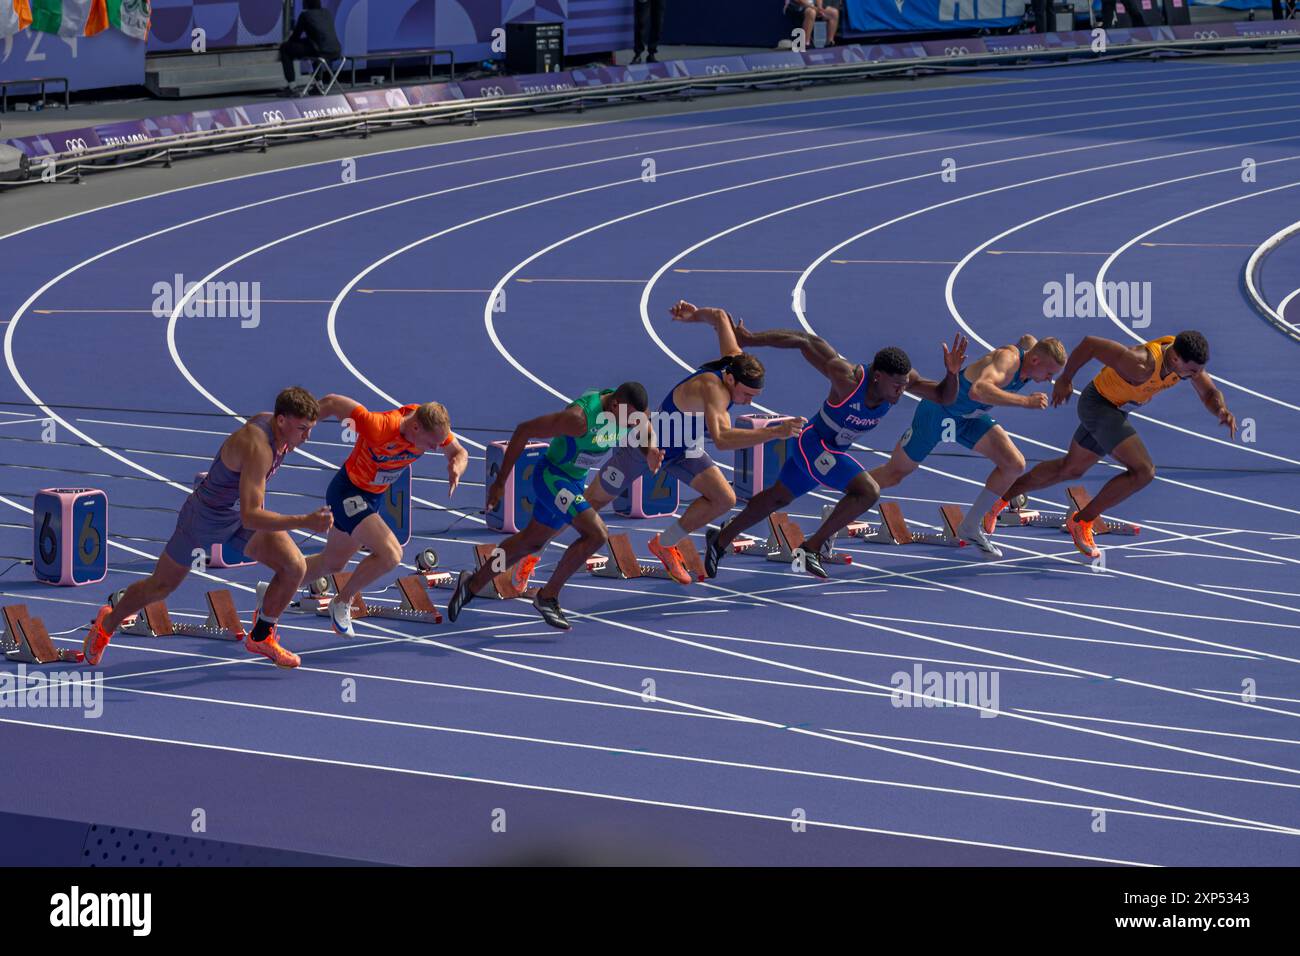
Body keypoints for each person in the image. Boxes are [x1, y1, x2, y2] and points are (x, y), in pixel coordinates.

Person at [83, 387, 331, 669]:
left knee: (294, 567)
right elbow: (252, 517)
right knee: (161, 586)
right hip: (205, 516)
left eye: (310, 429)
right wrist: (304, 522)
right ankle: (108, 623)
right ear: (282, 420)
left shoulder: (280, 430)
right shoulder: (258, 446)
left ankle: (261, 635)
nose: (307, 437)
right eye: (303, 429)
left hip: (238, 515)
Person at [706, 325, 966, 578]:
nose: (901, 391)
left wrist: (952, 373)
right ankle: (811, 548)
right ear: (878, 376)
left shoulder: (902, 380)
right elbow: (804, 340)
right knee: (867, 491)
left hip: (831, 450)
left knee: (778, 498)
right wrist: (750, 339)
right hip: (813, 443)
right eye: (896, 386)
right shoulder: (848, 379)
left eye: (904, 385)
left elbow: (944, 397)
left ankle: (720, 539)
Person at [597, 301, 805, 584]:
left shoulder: (735, 361)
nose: (748, 402)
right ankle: (530, 555)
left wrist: (694, 316)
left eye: (754, 397)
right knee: (590, 503)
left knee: (724, 499)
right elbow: (722, 439)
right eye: (745, 395)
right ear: (730, 380)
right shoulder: (714, 391)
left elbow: (720, 316)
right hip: (646, 446)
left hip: (682, 448)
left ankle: (665, 544)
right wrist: (774, 433)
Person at [991, 331, 1234, 559]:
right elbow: (1090, 344)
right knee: (1143, 471)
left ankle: (1000, 499)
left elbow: (1209, 392)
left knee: (1070, 469)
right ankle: (1082, 521)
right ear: (1175, 357)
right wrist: (1066, 379)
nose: (1195, 376)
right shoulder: (1141, 364)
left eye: (1198, 371)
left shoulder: (1185, 363)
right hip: (1099, 405)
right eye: (1192, 371)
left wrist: (1220, 410)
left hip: (1116, 409)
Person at [447, 383, 653, 630]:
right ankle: (548, 596)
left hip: (574, 482)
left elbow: (645, 427)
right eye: (629, 418)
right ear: (616, 405)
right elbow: (524, 430)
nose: (631, 424)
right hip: (551, 477)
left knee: (530, 542)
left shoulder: (629, 412)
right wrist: (500, 482)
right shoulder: (579, 419)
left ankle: (471, 584)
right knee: (597, 534)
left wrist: (649, 449)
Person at [869, 335, 1066, 557]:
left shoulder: (1032, 355)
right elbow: (978, 390)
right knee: (895, 474)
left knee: (1014, 464)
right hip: (940, 413)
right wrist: (1025, 401)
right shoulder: (1008, 361)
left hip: (968, 418)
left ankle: (970, 526)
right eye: (1049, 374)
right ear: (1036, 361)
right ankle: (852, 491)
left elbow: (1028, 339)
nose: (1049, 380)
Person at [303, 395, 468, 637]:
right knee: (391, 554)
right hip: (348, 492)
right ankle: (343, 600)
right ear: (415, 427)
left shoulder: (431, 423)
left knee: (333, 562)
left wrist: (456, 466)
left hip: (372, 497)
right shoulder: (379, 425)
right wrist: (302, 427)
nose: (435, 449)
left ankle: (278, 587)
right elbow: (333, 403)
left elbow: (460, 452)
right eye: (431, 444)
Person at [279, 0, 342, 86]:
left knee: (285, 48)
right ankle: (319, 84)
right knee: (313, 45)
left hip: (320, 51)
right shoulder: (327, 12)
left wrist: (289, 39)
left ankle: (292, 87)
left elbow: (295, 37)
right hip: (336, 51)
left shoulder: (305, 15)